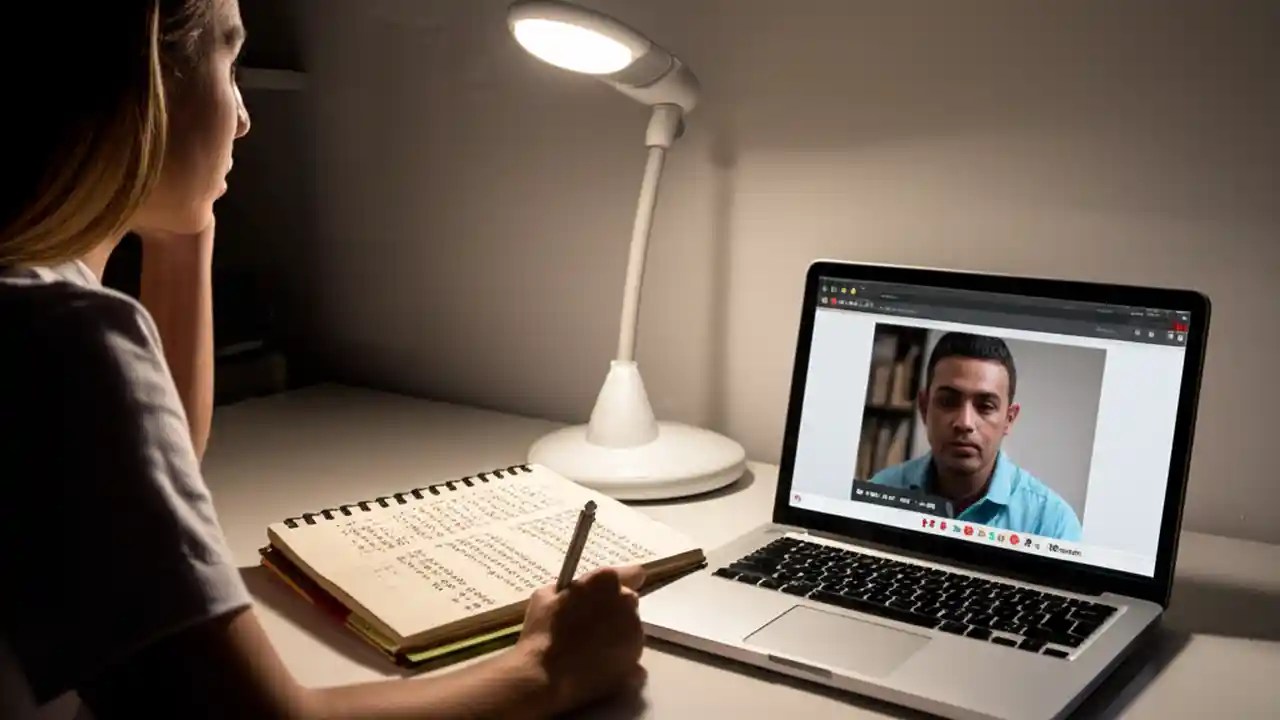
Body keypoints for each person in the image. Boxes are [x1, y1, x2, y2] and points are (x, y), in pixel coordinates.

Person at [0, 2, 646, 718]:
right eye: (229, 62)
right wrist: (546, 670)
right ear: (141, 84)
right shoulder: (60, 339)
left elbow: (158, 459)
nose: (244, 119)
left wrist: (187, 217)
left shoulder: (36, 302)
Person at [867, 332, 1082, 541]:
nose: (965, 423)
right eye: (948, 402)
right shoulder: (879, 493)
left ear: (1009, 419)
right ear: (924, 408)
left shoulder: (1051, 524)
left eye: (985, 406)